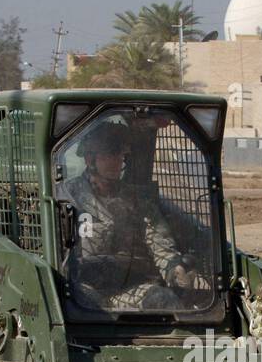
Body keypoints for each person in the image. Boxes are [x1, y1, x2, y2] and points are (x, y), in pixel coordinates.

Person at [62, 118, 203, 311]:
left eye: (121, 155)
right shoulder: (67, 197)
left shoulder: (135, 200)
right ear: (89, 159)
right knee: (89, 307)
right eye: (110, 154)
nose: (118, 161)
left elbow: (158, 241)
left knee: (163, 299)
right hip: (82, 289)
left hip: (127, 288)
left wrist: (173, 269)